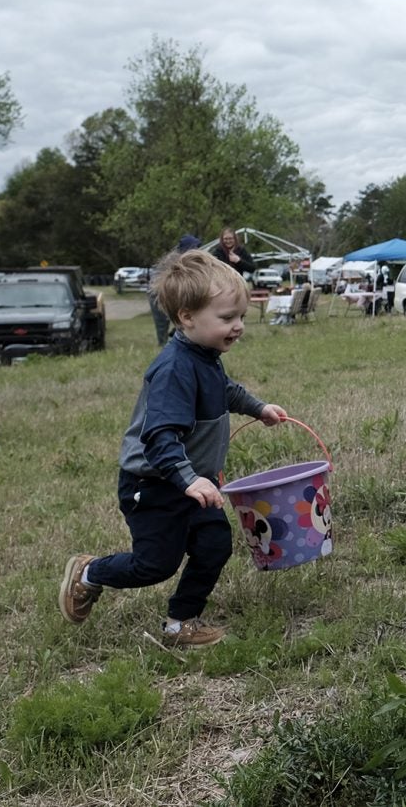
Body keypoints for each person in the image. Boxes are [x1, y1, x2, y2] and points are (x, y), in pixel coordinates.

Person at [59, 249, 288, 647]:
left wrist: (258, 407)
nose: (238, 327)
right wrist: (189, 481)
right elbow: (160, 438)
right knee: (155, 565)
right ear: (186, 317)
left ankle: (181, 622)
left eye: (241, 318)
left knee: (214, 546)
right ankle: (89, 573)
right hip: (154, 486)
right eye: (227, 318)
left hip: (193, 483)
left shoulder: (206, 356)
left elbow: (225, 390)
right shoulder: (173, 369)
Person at [149, 235, 201, 347]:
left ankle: (177, 340)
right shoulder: (175, 260)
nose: (197, 249)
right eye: (195, 247)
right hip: (158, 294)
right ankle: (162, 344)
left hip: (173, 294)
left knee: (181, 319)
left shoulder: (188, 260)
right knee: (162, 323)